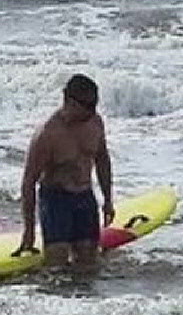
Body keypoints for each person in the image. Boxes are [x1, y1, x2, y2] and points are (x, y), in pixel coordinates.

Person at [17, 74, 113, 269]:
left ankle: (87, 300)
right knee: (56, 265)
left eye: (94, 105)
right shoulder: (47, 135)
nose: (91, 111)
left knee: (88, 262)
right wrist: (29, 230)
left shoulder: (95, 123)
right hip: (56, 201)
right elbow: (28, 183)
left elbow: (102, 160)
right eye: (87, 106)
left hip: (85, 197)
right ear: (69, 101)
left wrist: (108, 200)